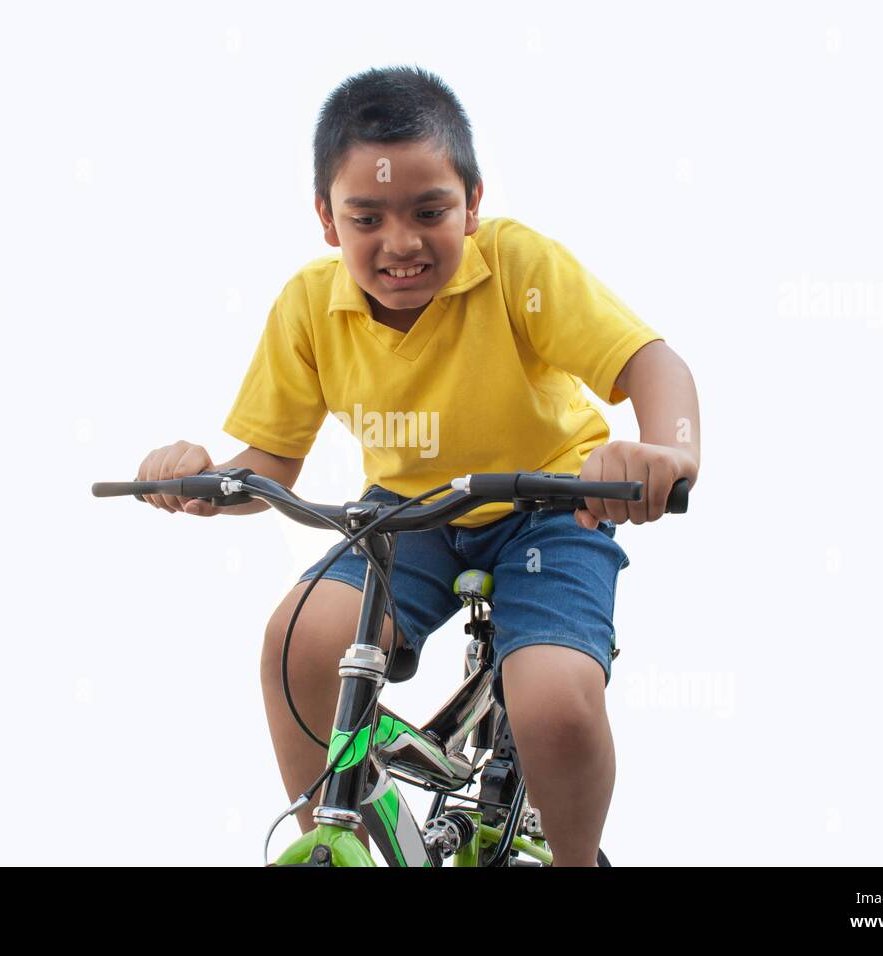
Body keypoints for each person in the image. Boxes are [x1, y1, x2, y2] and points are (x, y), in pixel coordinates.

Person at [135, 65, 700, 866]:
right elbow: (269, 464)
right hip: (406, 514)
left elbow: (652, 360)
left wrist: (667, 448)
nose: (400, 242)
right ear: (328, 221)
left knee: (554, 706)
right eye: (367, 217)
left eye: (429, 211)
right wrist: (201, 479)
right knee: (297, 644)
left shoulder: (514, 265)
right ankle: (339, 842)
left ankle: (574, 860)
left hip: (555, 505)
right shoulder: (308, 306)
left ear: (472, 205)